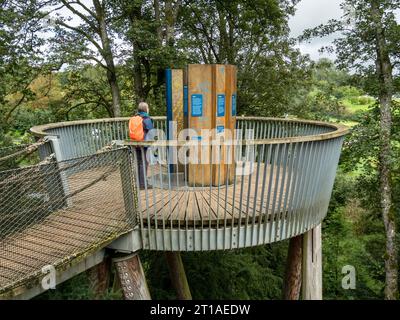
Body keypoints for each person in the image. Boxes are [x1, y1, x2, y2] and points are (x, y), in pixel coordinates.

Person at [132, 102, 154, 189]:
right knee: (144, 163)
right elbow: (151, 131)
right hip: (144, 144)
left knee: (138, 162)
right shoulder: (146, 118)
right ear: (146, 109)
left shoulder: (135, 118)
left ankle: (138, 182)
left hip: (135, 143)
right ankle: (142, 184)